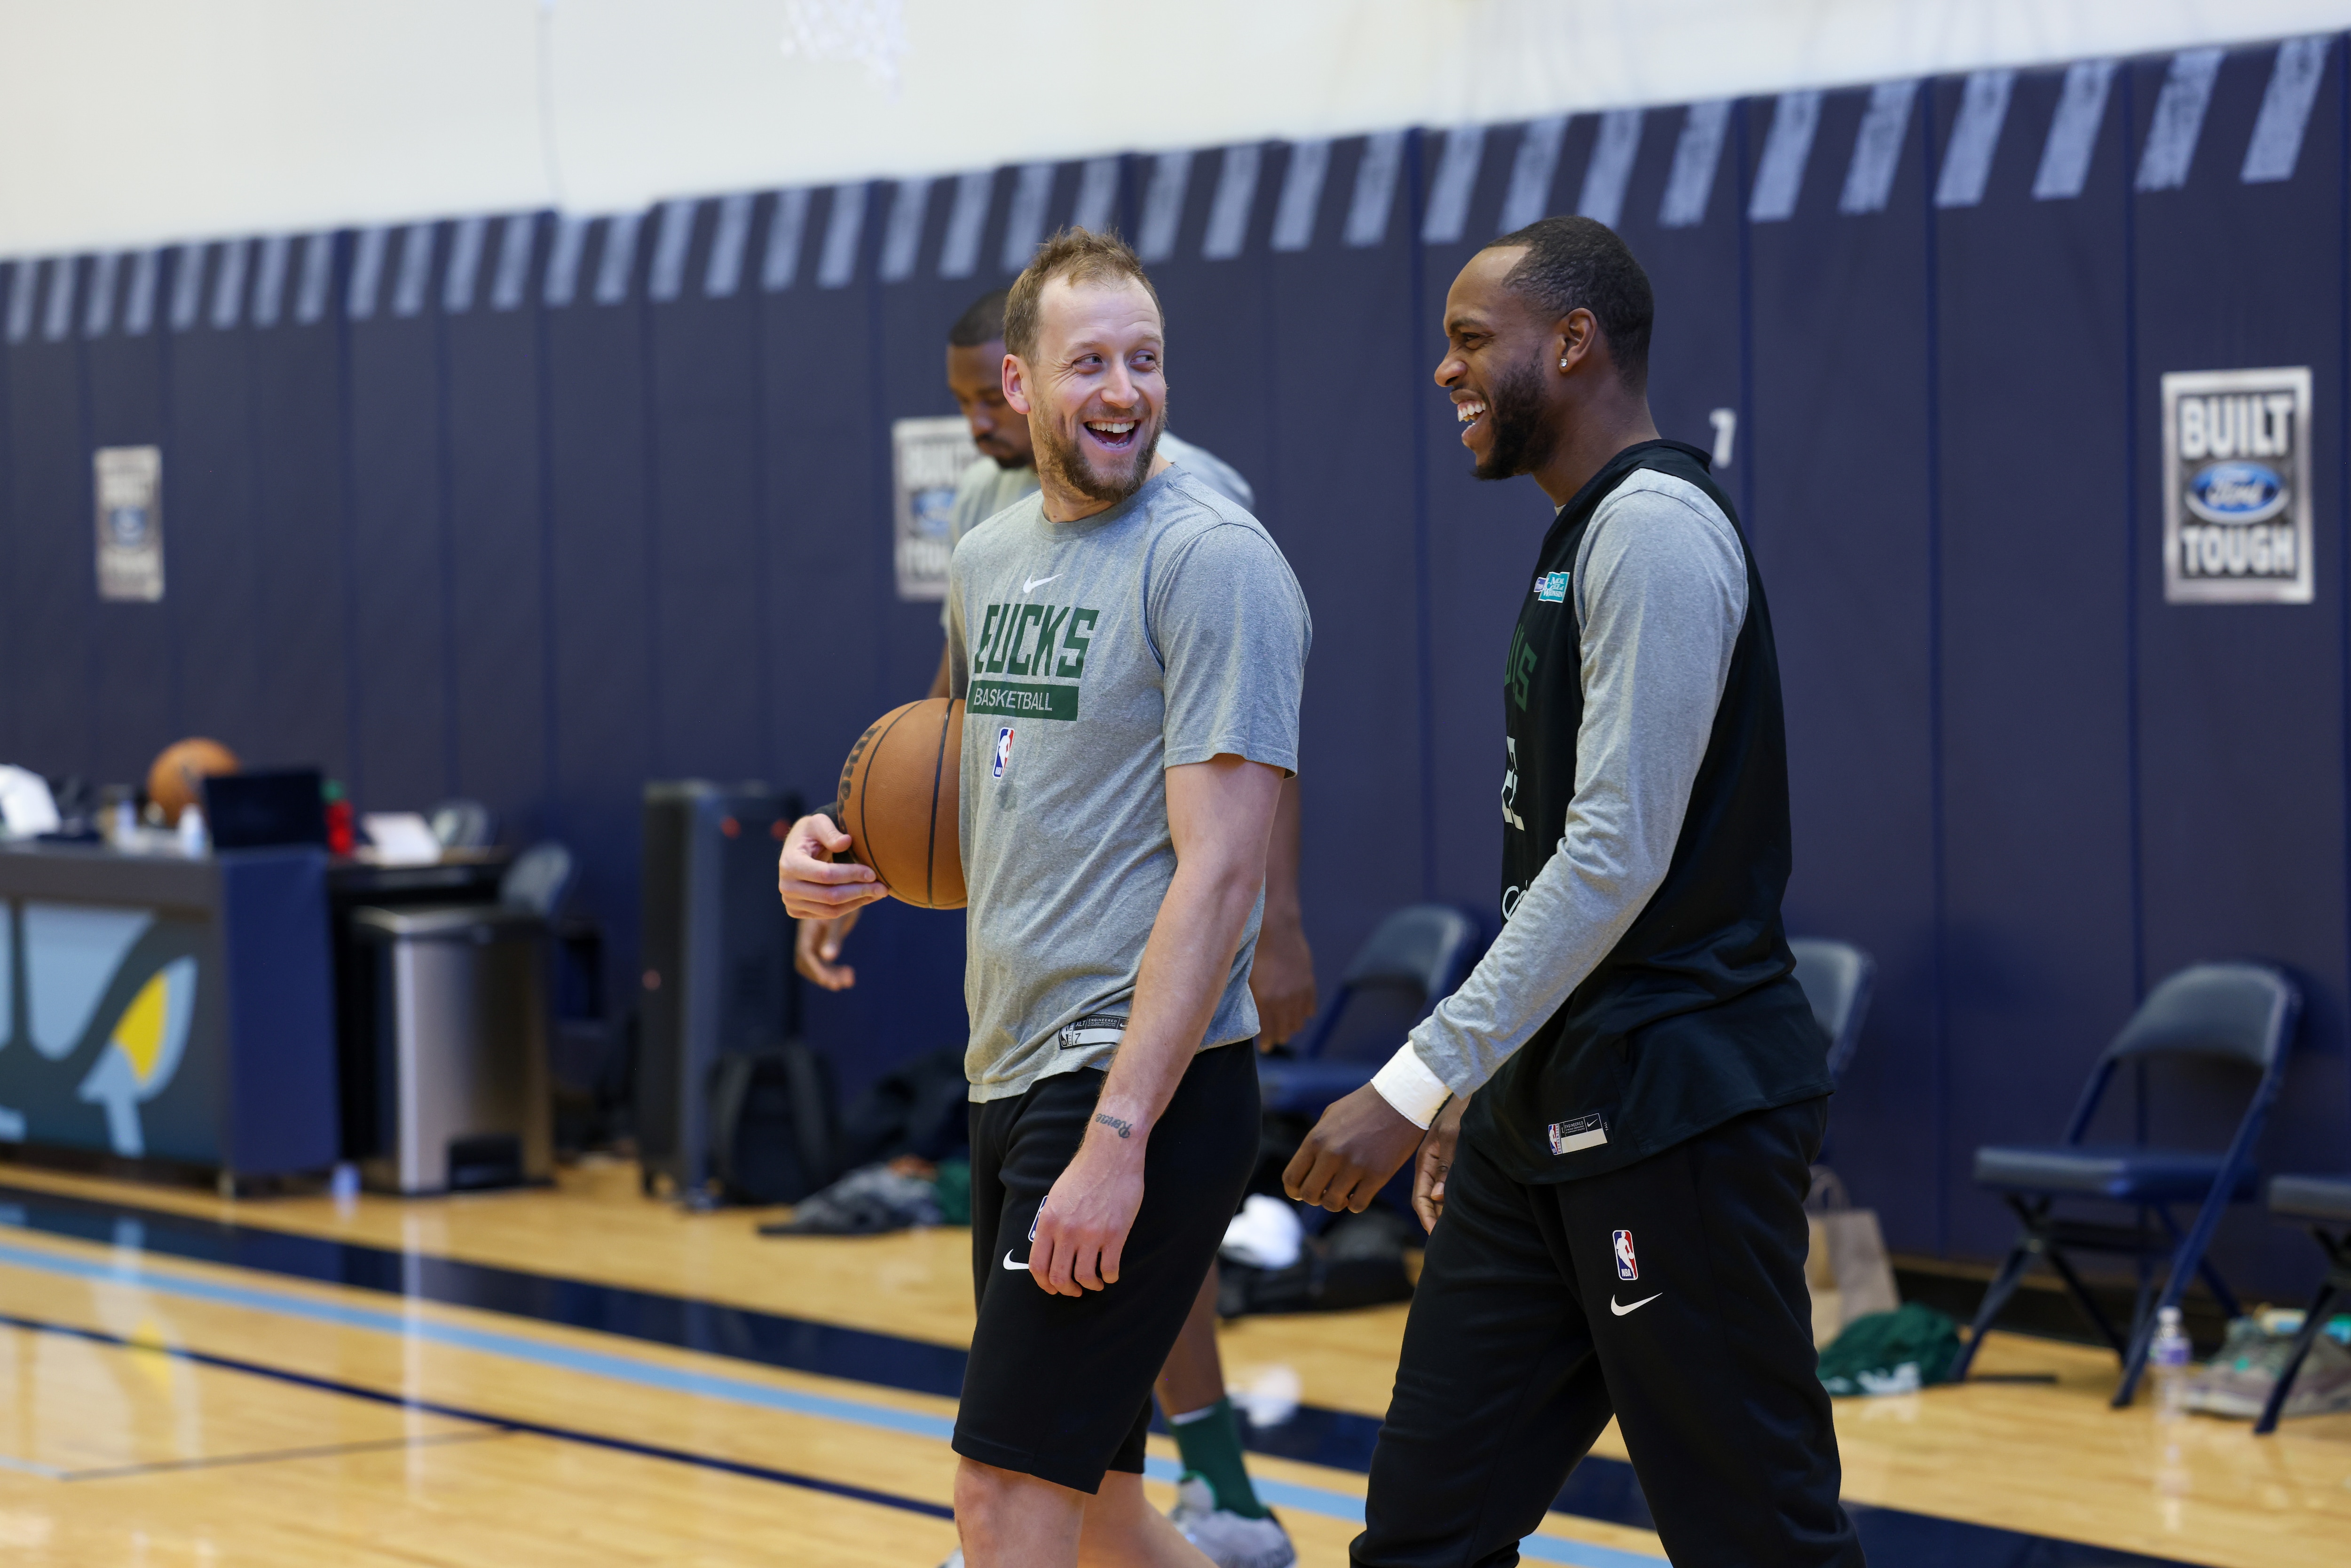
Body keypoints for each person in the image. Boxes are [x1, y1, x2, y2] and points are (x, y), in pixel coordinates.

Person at [1281, 215, 1863, 1567]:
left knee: (1757, 1539)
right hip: (1539, 1112)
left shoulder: (1654, 531)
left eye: (1471, 340)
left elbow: (1614, 853)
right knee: (1423, 1535)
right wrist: (1482, 1085)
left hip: (1676, 1105)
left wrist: (1418, 1079)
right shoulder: (1578, 533)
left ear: (1573, 341)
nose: (1446, 370)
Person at [779, 228, 1312, 1568]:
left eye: (1146, 360)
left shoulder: (1214, 559)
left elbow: (1223, 869)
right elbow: (979, 779)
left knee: (1002, 1501)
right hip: (1008, 1066)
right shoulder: (989, 552)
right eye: (1089, 364)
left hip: (1139, 1082)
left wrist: (1121, 1137)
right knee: (1098, 1520)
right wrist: (841, 856)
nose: (1125, 390)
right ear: (1018, 386)